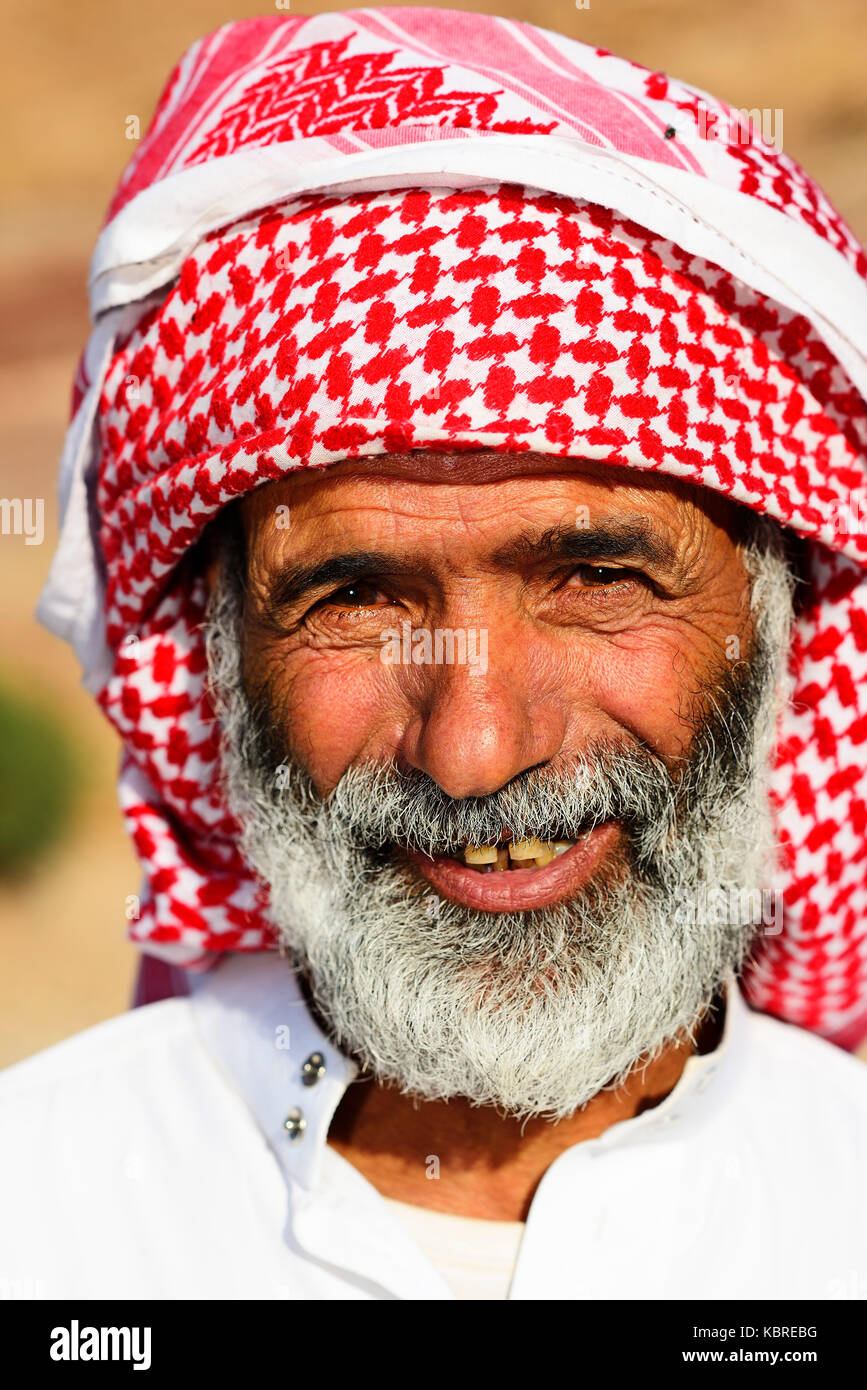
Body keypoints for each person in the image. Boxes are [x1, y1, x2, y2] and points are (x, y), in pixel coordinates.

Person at [3, 8, 867, 1300]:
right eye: (353, 597)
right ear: (223, 651)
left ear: (778, 617)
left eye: (595, 580)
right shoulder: (43, 1215)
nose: (474, 749)